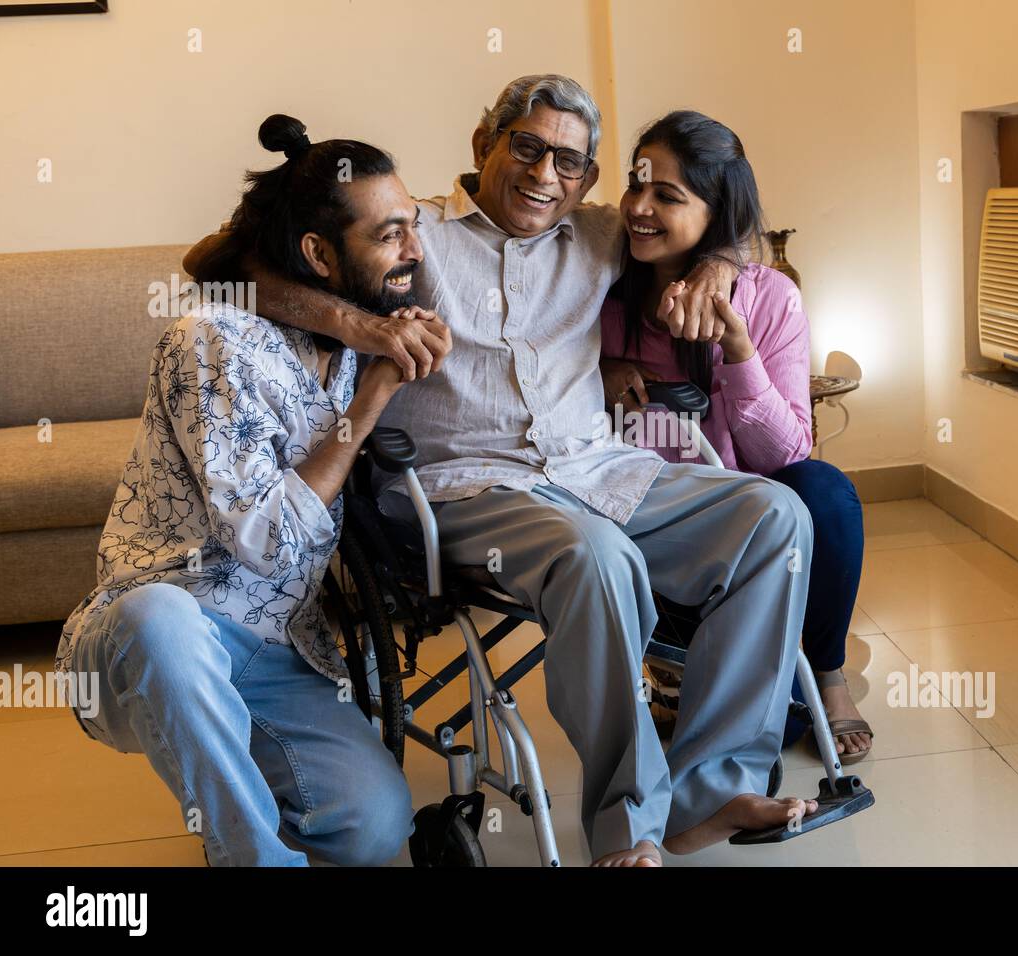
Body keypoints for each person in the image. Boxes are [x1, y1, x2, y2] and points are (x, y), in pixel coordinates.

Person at [184, 76, 823, 867]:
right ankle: (631, 831)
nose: (544, 175)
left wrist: (720, 264)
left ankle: (713, 789)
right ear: (484, 145)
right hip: (465, 489)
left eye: (570, 162)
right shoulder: (410, 235)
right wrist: (361, 327)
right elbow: (216, 266)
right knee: (597, 555)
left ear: (589, 180)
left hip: (600, 470)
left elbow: (707, 213)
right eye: (527, 147)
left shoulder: (600, 234)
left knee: (777, 518)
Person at [56, 115, 451, 866]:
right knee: (162, 620)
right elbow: (265, 541)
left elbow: (244, 264)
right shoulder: (211, 337)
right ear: (318, 254)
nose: (415, 251)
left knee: (370, 829)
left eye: (415, 227)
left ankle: (236, 786)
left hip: (279, 648)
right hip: (150, 633)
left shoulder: (356, 337)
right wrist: (369, 405)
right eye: (391, 233)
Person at [600, 110, 873, 763]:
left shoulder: (770, 297)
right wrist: (602, 371)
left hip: (751, 519)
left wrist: (741, 355)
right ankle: (684, 665)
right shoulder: (602, 290)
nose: (639, 208)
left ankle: (826, 672)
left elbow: (785, 454)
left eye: (667, 196)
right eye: (636, 185)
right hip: (655, 525)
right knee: (768, 734)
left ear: (716, 213)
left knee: (825, 491)